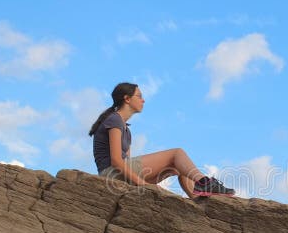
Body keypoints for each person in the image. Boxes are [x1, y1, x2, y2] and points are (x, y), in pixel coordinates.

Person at [89, 82, 235, 197]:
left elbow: (126, 160)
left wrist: (142, 183)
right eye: (139, 96)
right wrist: (142, 184)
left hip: (119, 174)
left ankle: (199, 200)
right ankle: (204, 182)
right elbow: (116, 161)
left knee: (178, 167)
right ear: (127, 99)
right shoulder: (114, 120)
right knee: (176, 154)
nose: (143, 100)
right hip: (110, 174)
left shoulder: (126, 129)